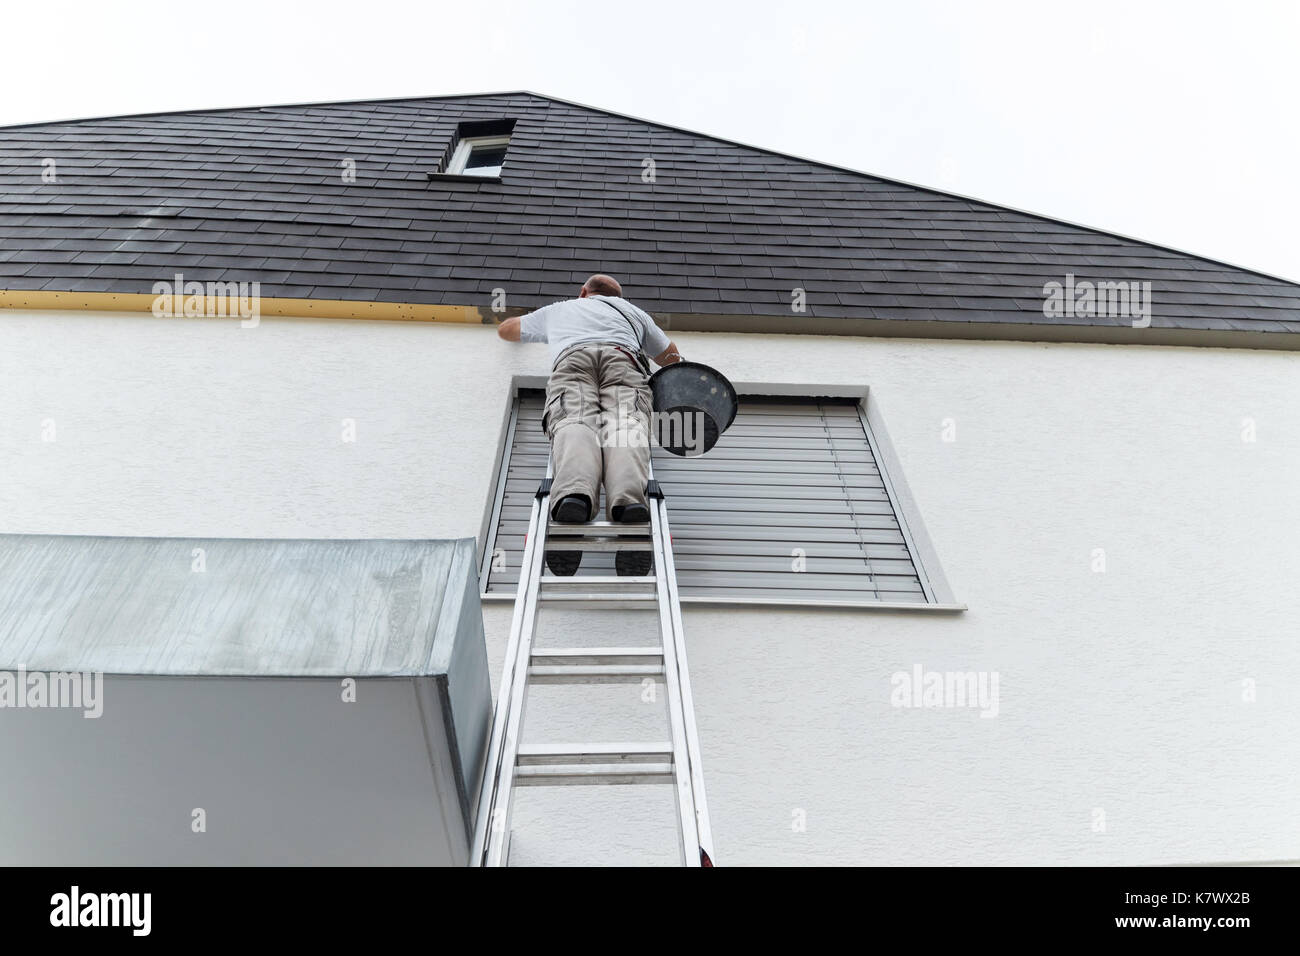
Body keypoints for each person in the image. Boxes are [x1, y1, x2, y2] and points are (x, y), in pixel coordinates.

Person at [497, 274, 683, 577]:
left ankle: (575, 497)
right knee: (625, 426)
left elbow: (507, 331)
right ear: (618, 298)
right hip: (624, 360)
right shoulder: (634, 314)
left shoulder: (561, 309)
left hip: (573, 360)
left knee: (574, 421)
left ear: (584, 292)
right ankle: (629, 505)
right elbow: (671, 357)